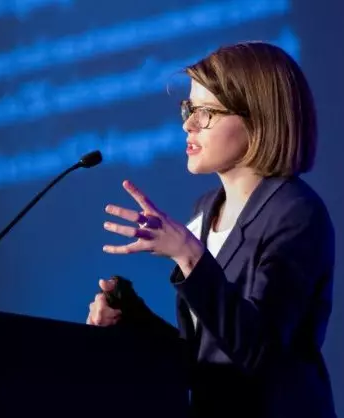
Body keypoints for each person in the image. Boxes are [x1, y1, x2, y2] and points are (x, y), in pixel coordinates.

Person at [86, 42, 336, 418]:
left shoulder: (296, 213)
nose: (188, 124)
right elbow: (203, 357)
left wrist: (189, 255)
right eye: (189, 109)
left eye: (205, 112)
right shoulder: (206, 210)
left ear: (257, 118)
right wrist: (132, 319)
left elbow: (259, 352)